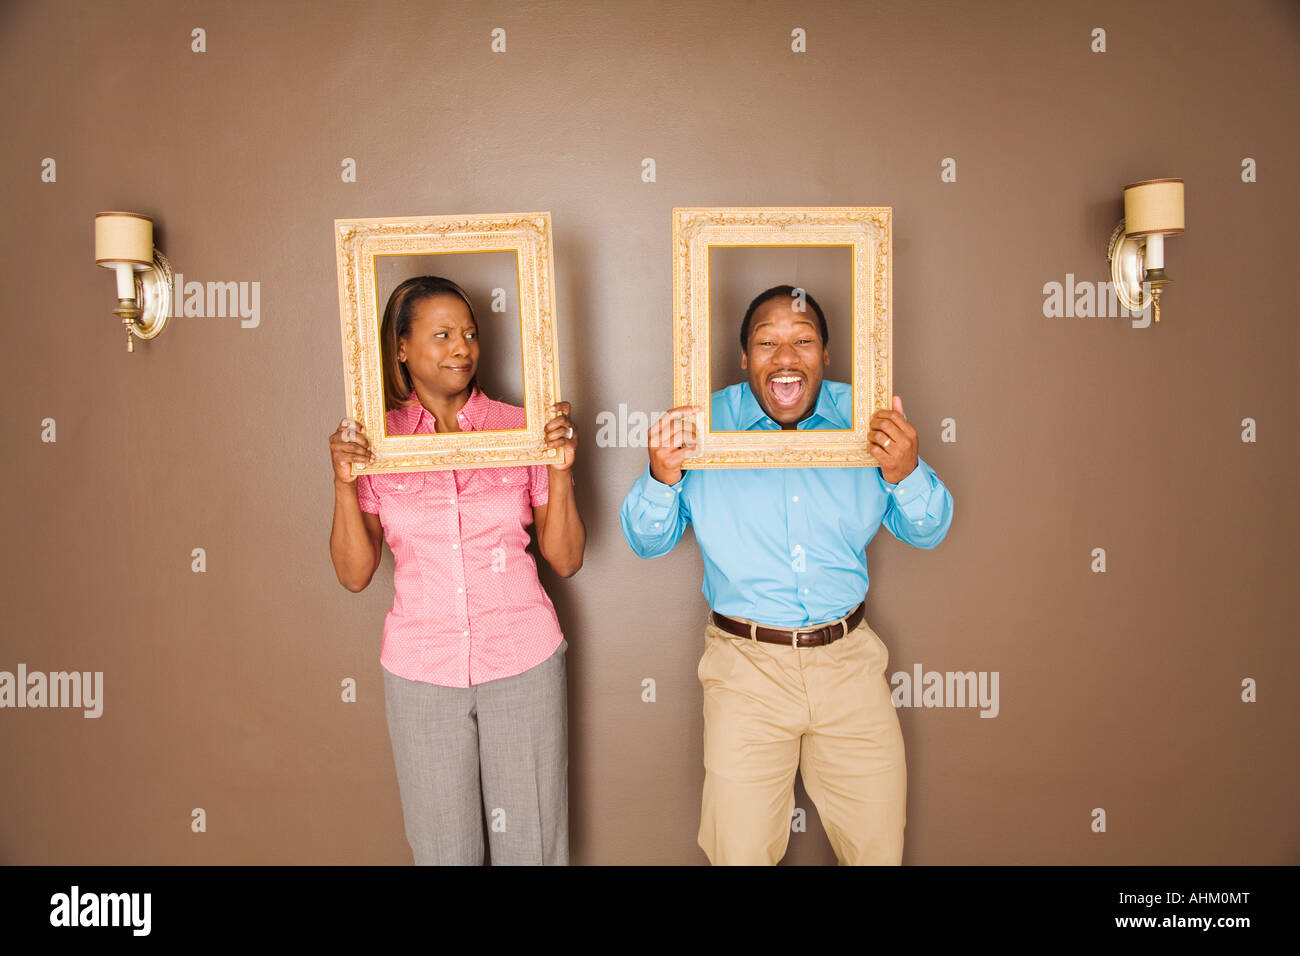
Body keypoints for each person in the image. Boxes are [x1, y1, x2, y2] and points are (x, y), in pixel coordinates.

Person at [619, 284, 954, 865]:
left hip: (850, 662)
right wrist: (661, 475)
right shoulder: (701, 423)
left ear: (825, 353)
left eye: (803, 341)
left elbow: (928, 530)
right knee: (740, 853)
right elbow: (647, 543)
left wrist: (906, 471)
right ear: (744, 356)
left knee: (878, 850)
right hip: (744, 667)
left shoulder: (868, 419)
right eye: (766, 342)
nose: (785, 357)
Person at [329, 275, 585, 865]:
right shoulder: (377, 443)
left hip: (522, 658)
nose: (462, 347)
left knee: (534, 848)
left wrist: (561, 465)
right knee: (445, 851)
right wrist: (343, 483)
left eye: (469, 333)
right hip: (422, 669)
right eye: (441, 334)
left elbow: (566, 558)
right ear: (401, 349)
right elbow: (354, 573)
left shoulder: (521, 428)